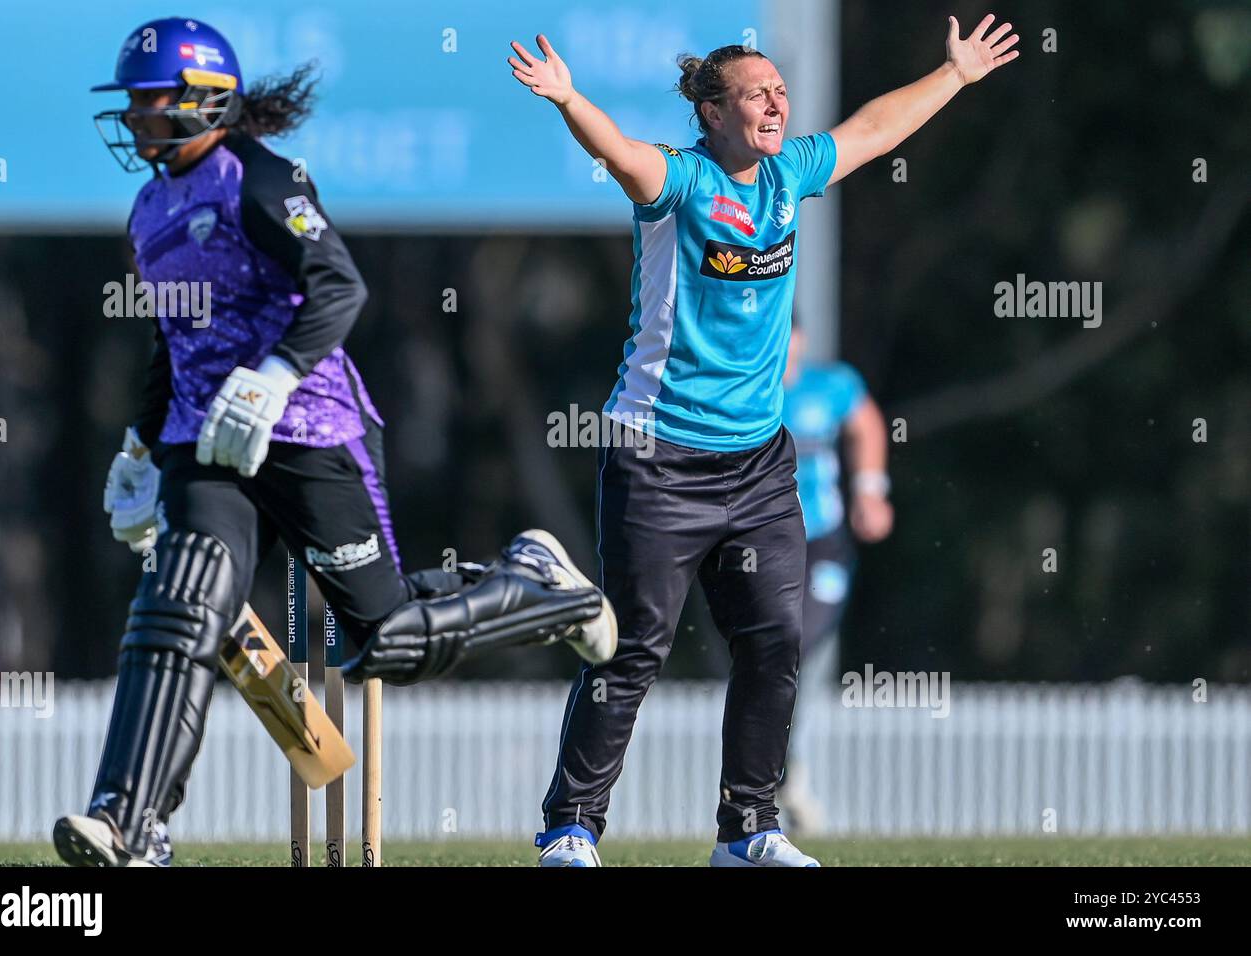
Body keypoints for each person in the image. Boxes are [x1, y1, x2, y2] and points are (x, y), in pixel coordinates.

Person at [55, 17, 615, 868]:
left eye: (150, 103)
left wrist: (274, 375)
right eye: (130, 105)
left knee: (386, 641)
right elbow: (169, 339)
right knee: (184, 600)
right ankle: (129, 825)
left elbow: (337, 286)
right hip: (207, 441)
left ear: (204, 99)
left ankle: (539, 586)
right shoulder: (148, 209)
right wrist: (137, 445)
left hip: (310, 428)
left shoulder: (258, 178)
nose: (135, 121)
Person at [509, 15, 1017, 866]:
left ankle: (748, 834)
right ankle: (570, 828)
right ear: (712, 112)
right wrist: (568, 99)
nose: (778, 104)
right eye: (757, 94)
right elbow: (627, 156)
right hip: (658, 455)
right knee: (635, 649)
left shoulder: (790, 175)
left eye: (781, 91)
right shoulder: (679, 183)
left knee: (775, 644)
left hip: (757, 464)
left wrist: (954, 76)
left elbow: (870, 129)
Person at [777, 323, 893, 833]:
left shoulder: (831, 383)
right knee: (767, 654)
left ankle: (779, 770)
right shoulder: (740, 390)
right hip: (762, 544)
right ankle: (776, 774)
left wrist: (870, 489)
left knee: (790, 645)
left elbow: (866, 424)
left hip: (822, 543)